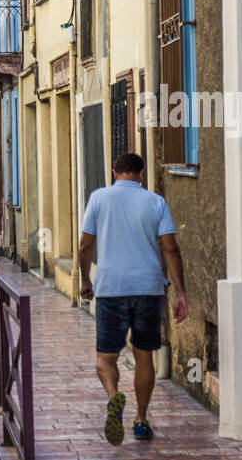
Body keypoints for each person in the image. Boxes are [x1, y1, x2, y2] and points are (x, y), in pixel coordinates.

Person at [77, 152, 187, 445]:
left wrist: (86, 279)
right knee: (143, 355)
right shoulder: (155, 202)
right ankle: (141, 420)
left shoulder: (99, 199)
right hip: (148, 288)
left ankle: (115, 397)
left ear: (114, 172)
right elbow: (171, 249)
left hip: (111, 287)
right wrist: (180, 292)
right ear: (141, 173)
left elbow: (85, 245)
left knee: (105, 358)